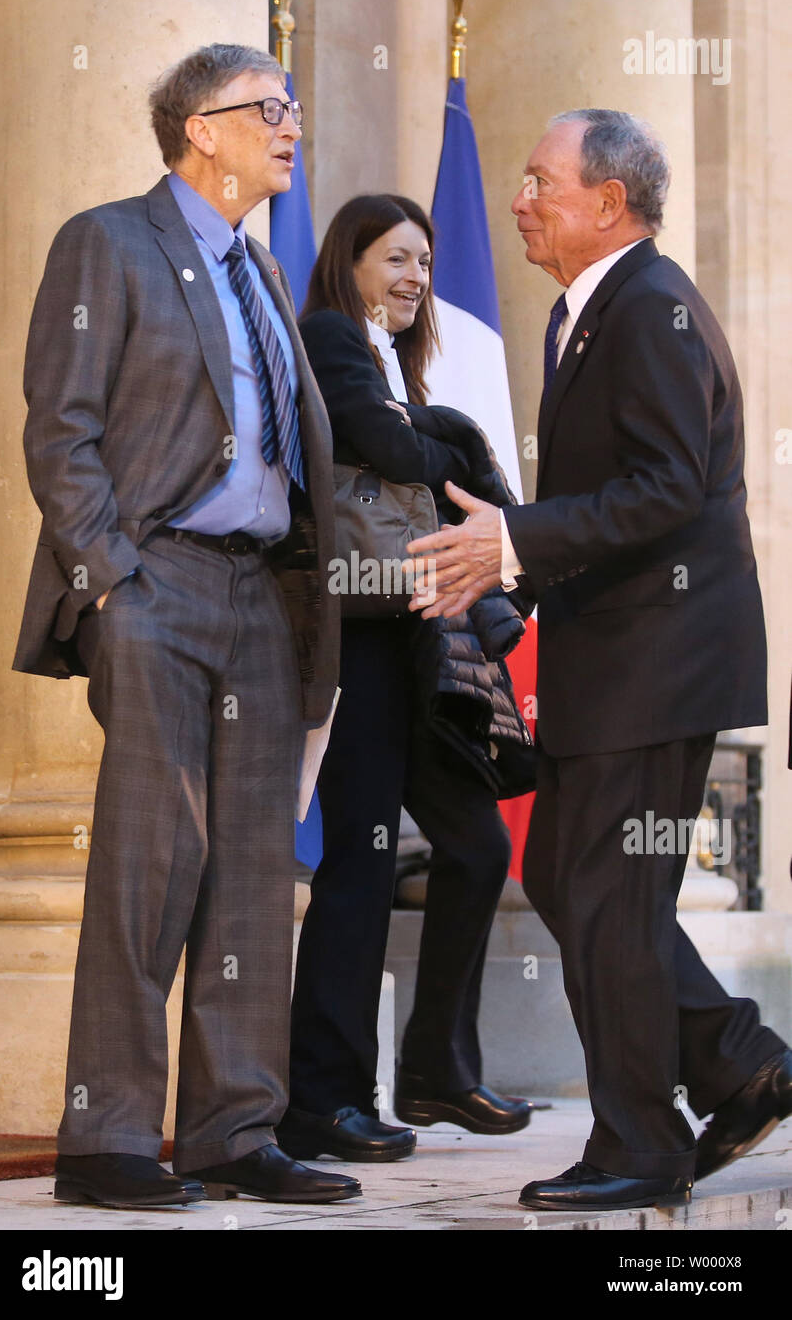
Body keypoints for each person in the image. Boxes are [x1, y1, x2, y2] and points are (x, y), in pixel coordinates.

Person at [407, 110, 792, 1211]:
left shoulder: (653, 308)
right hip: (615, 653)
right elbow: (621, 496)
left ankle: (638, 1146)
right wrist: (513, 546)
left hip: (656, 661)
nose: (519, 200)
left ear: (607, 204)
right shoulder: (588, 313)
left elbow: (670, 485)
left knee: (609, 896)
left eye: (539, 182)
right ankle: (731, 1059)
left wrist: (516, 540)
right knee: (568, 876)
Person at [13, 43, 361, 1208]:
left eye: (294, 105)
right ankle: (106, 1137)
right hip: (154, 583)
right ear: (198, 129)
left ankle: (233, 1131)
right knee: (151, 861)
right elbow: (58, 432)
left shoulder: (262, 270)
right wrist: (111, 576)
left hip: (263, 595)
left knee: (255, 872)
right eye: (269, 108)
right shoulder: (107, 242)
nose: (291, 124)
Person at [276, 193, 535, 1165]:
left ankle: (435, 1068)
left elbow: (406, 448)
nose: (416, 275)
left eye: (425, 260)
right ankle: (323, 1097)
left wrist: (439, 437)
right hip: (365, 632)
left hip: (422, 635)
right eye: (395, 257)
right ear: (348, 261)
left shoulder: (398, 365)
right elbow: (390, 452)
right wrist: (459, 445)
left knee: (472, 847)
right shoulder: (334, 341)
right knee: (361, 861)